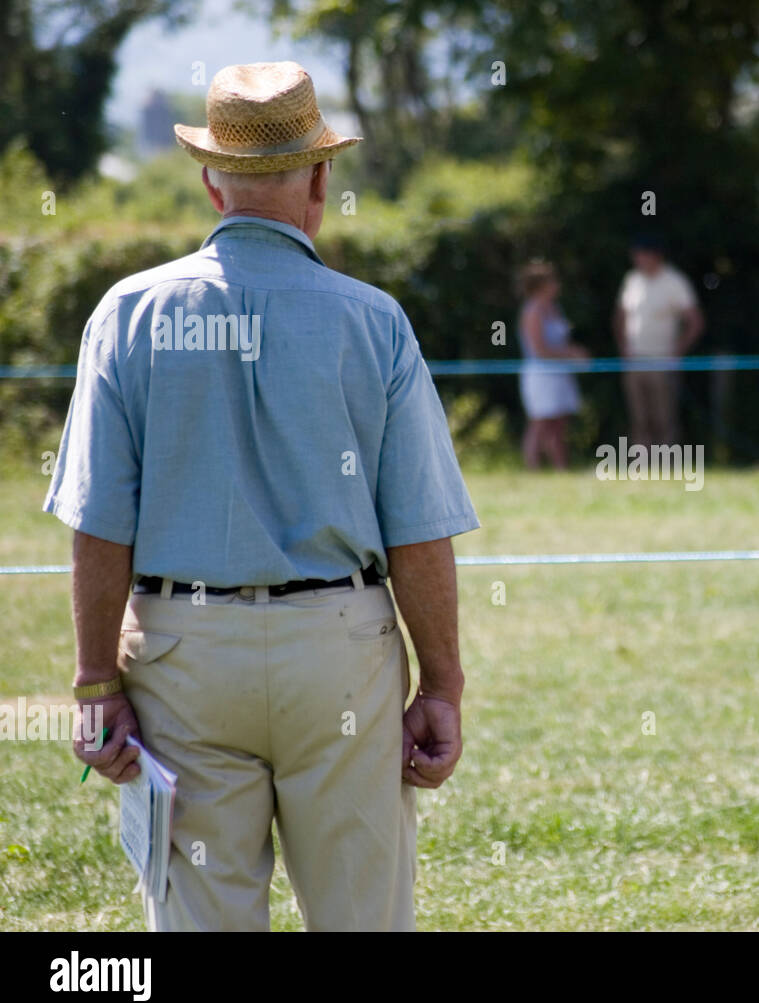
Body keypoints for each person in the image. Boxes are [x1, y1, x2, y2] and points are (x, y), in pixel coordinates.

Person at [46, 61, 479, 931]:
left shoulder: (127, 314)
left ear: (211, 180)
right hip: (341, 653)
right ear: (321, 179)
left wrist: (97, 680)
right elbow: (420, 534)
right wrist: (442, 682)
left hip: (181, 658)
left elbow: (99, 526)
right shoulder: (375, 320)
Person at [613, 234, 704, 446]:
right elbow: (620, 317)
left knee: (664, 419)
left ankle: (668, 466)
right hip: (635, 362)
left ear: (656, 255)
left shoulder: (675, 282)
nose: (637, 260)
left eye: (642, 255)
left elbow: (695, 321)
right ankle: (642, 468)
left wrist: (677, 350)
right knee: (639, 419)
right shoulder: (632, 280)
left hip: (663, 363)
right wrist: (623, 347)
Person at [517, 260, 587, 469]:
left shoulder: (555, 308)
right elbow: (539, 350)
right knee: (540, 423)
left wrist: (574, 353)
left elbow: (559, 341)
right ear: (540, 285)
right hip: (540, 375)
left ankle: (560, 468)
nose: (557, 285)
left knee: (559, 423)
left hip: (560, 372)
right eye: (552, 281)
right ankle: (532, 468)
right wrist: (571, 354)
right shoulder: (532, 312)